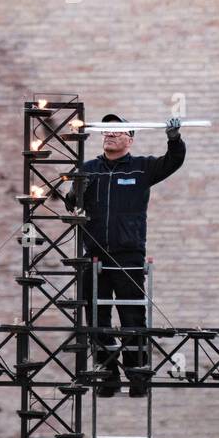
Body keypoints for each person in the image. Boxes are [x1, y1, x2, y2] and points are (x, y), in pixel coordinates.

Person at [64, 113, 185, 397]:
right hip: (93, 255)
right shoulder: (89, 169)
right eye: (106, 131)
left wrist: (174, 139)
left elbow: (173, 161)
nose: (109, 135)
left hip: (128, 254)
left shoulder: (141, 168)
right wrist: (76, 190)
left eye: (117, 132)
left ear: (129, 139)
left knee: (132, 317)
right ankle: (107, 375)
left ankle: (137, 375)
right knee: (96, 318)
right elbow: (71, 204)